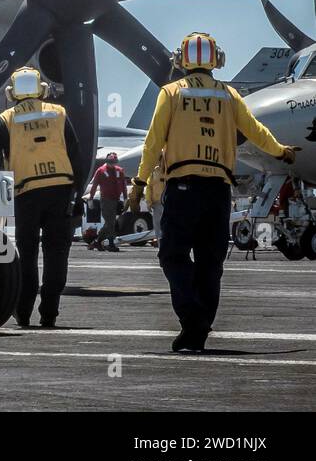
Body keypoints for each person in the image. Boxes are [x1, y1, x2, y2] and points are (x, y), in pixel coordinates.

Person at [132, 33, 296, 353]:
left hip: (183, 188)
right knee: (210, 263)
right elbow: (255, 131)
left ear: (181, 61)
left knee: (173, 256)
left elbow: (153, 142)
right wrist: (281, 151)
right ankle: (198, 329)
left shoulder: (170, 93)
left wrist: (139, 183)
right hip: (218, 191)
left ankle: (191, 317)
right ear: (216, 60)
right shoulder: (230, 96)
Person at [0, 66, 83, 329]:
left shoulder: (6, 120)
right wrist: (79, 194)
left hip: (27, 194)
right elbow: (77, 157)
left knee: (27, 256)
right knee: (57, 254)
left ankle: (24, 312)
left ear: (11, 92)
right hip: (61, 191)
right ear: (42, 89)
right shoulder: (59, 114)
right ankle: (50, 310)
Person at [87, 153, 128, 252]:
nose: (112, 165)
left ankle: (97, 242)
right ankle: (110, 244)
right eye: (110, 162)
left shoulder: (119, 171)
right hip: (105, 200)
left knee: (110, 223)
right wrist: (91, 198)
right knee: (110, 222)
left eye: (114, 162)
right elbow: (94, 186)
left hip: (116, 200)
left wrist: (126, 198)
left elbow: (123, 185)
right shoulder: (100, 171)